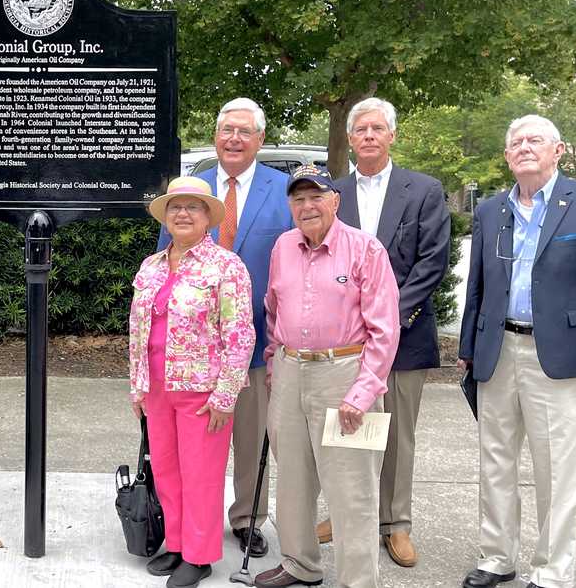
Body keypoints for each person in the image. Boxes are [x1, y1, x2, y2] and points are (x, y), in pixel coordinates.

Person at [457, 115, 576, 588]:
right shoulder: (491, 210)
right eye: (516, 142)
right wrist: (469, 345)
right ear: (507, 156)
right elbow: (479, 284)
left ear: (558, 150)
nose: (524, 147)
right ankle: (496, 557)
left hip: (562, 355)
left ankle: (552, 571)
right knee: (495, 460)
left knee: (557, 467)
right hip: (498, 349)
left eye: (535, 140)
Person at [316, 98, 450, 568]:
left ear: (392, 136)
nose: (369, 135)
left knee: (396, 434)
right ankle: (349, 514)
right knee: (349, 429)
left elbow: (433, 261)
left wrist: (389, 317)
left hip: (406, 334)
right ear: (350, 139)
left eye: (378, 128)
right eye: (361, 129)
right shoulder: (332, 194)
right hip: (346, 339)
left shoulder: (425, 190)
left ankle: (396, 523)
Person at [254, 166, 399, 588]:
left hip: (346, 375)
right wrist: (273, 359)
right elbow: (272, 307)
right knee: (293, 481)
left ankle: (358, 581)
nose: (307, 206)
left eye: (316, 196)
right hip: (290, 371)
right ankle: (301, 565)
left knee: (352, 490)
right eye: (298, 199)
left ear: (335, 200)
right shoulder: (283, 246)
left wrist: (363, 390)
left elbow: (385, 331)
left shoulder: (365, 249)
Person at [160, 97, 292, 558]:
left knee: (251, 433)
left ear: (259, 139)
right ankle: (195, 523)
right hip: (191, 351)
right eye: (227, 130)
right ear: (216, 137)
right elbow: (167, 256)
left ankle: (247, 518)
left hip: (253, 341)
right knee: (194, 444)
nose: (234, 139)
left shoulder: (283, 189)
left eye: (244, 132)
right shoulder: (194, 185)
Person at [136, 175, 255, 588]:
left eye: (193, 207)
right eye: (175, 207)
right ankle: (176, 541)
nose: (183, 213)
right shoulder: (150, 266)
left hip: (202, 390)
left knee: (200, 474)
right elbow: (137, 329)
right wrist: (137, 385)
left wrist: (226, 395)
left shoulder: (225, 266)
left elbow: (240, 334)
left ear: (208, 217)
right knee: (166, 469)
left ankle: (200, 555)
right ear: (165, 216)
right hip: (156, 387)